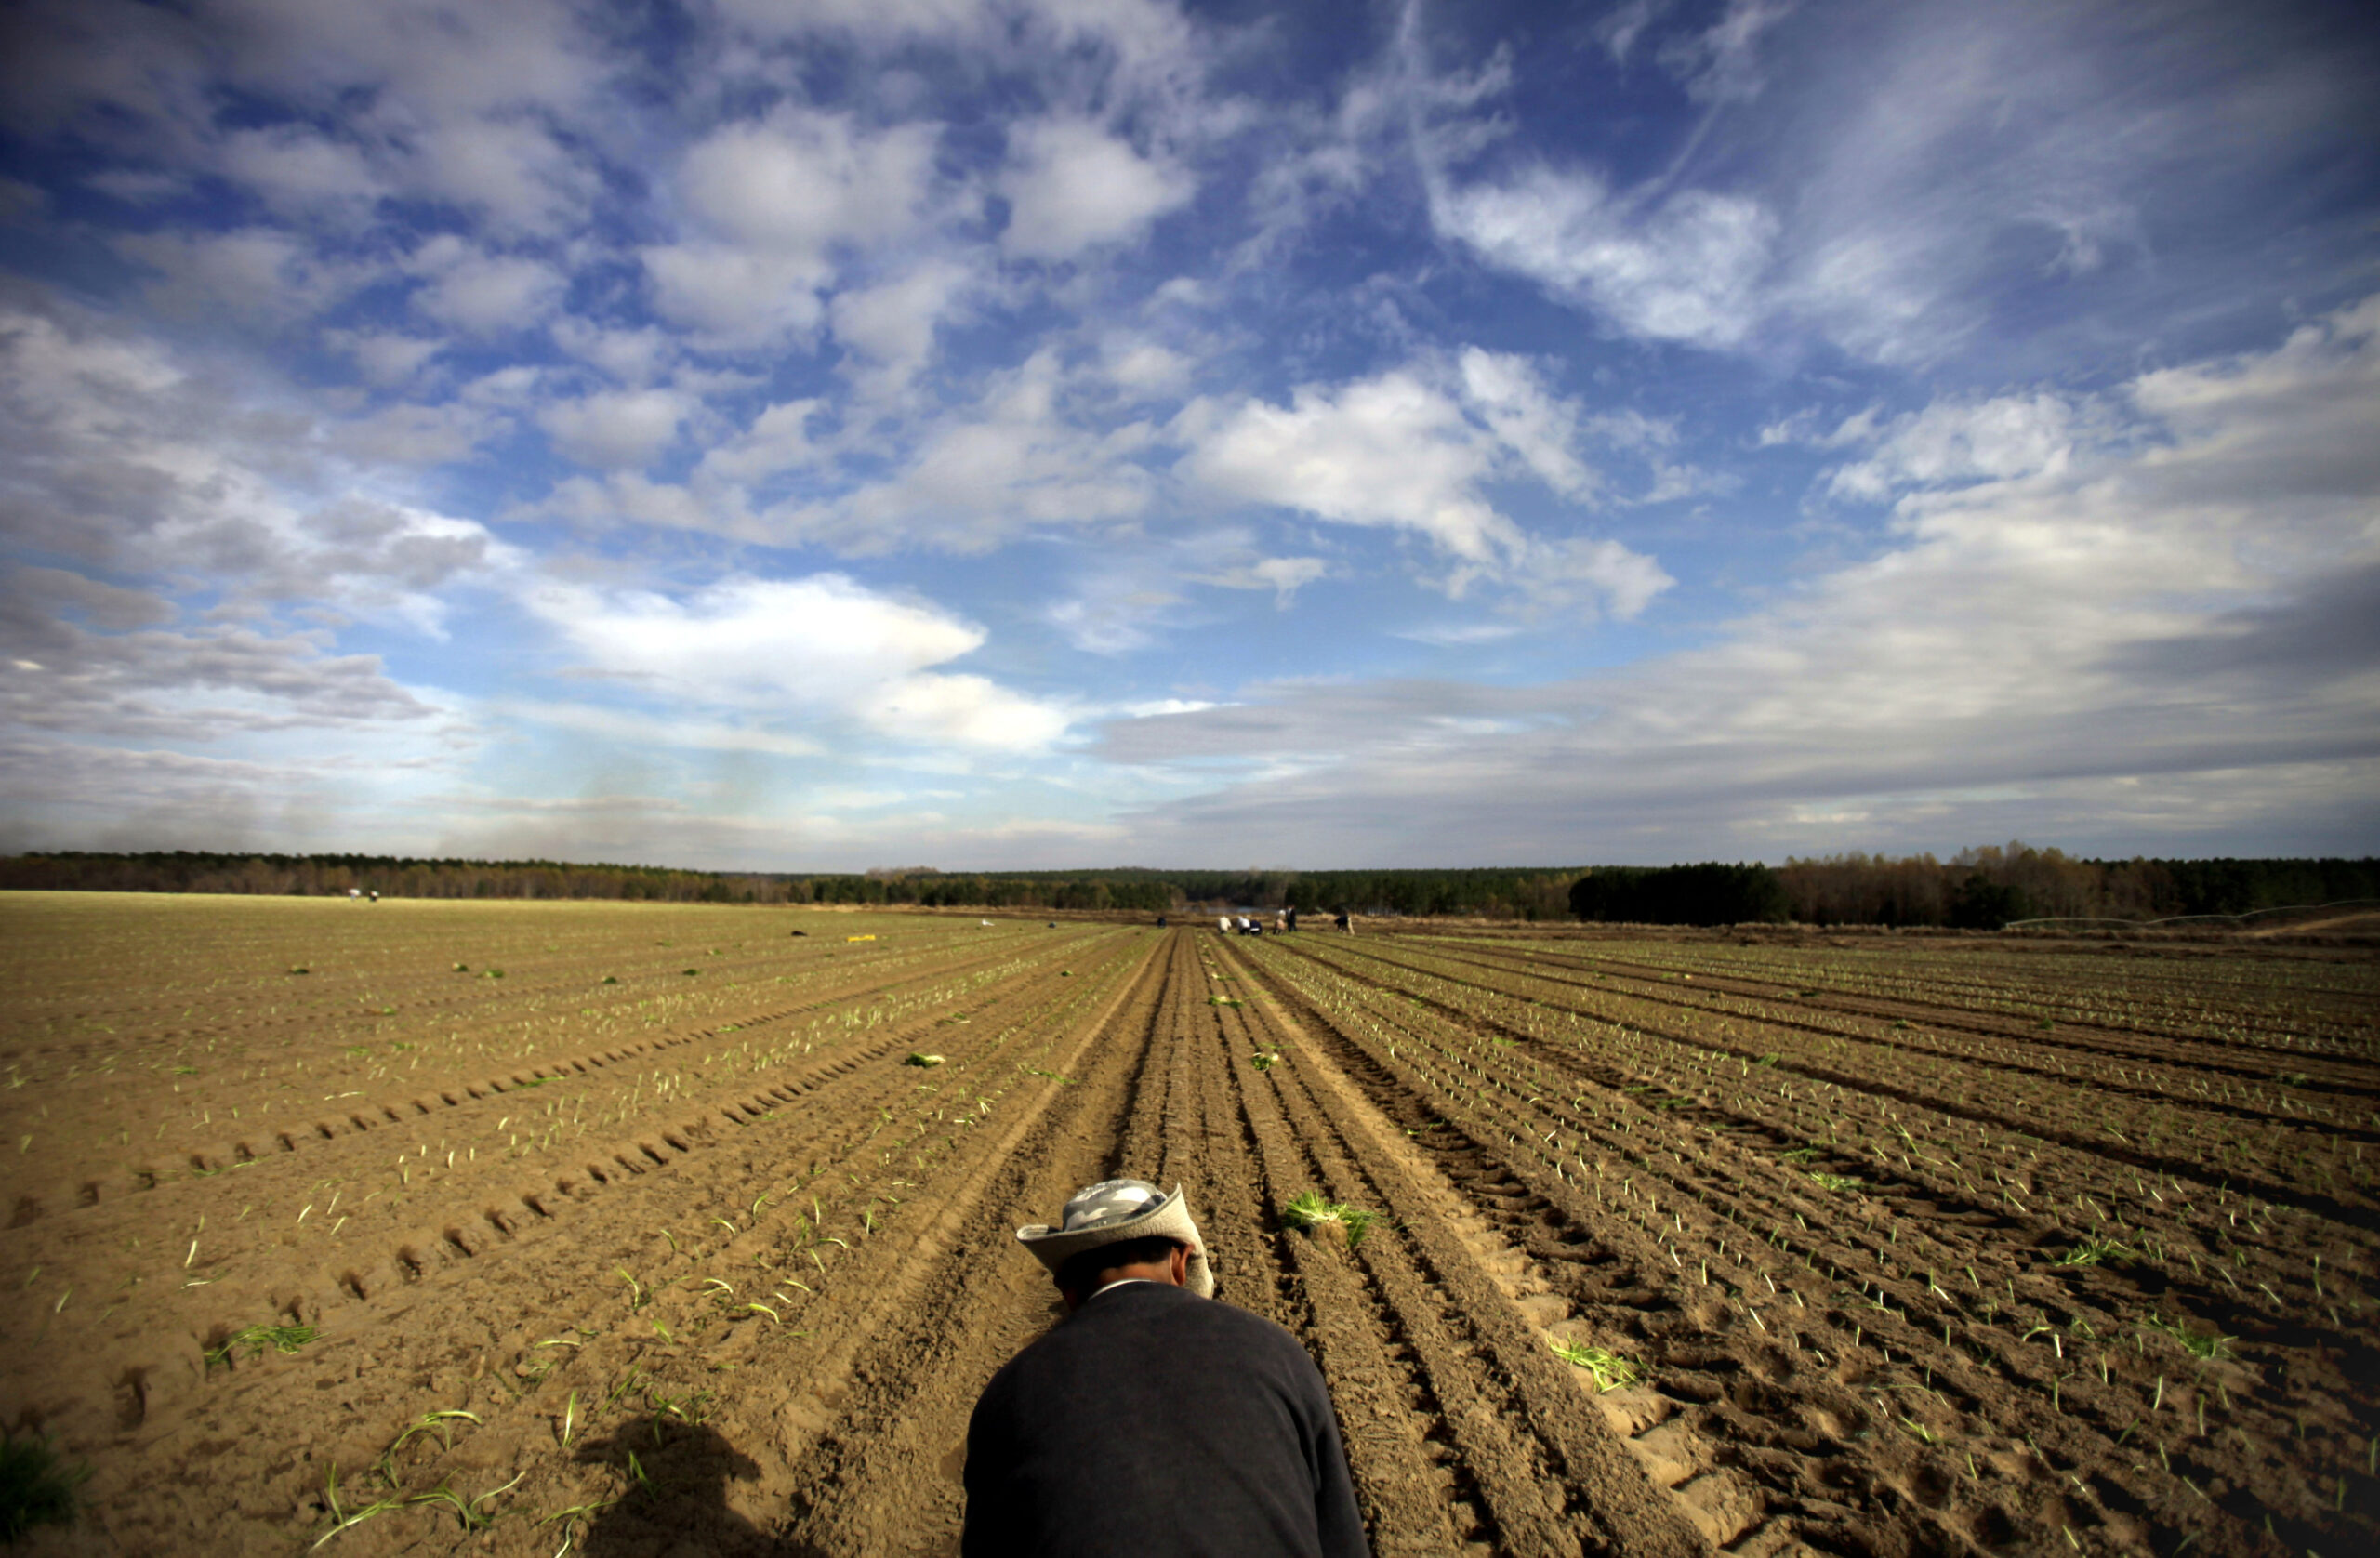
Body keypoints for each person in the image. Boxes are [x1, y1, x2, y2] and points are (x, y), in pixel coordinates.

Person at [963, 1180, 1370, 1558]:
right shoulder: (1279, 1353)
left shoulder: (1011, 1391)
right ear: (1181, 1262)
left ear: (1068, 1291)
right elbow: (1341, 1538)